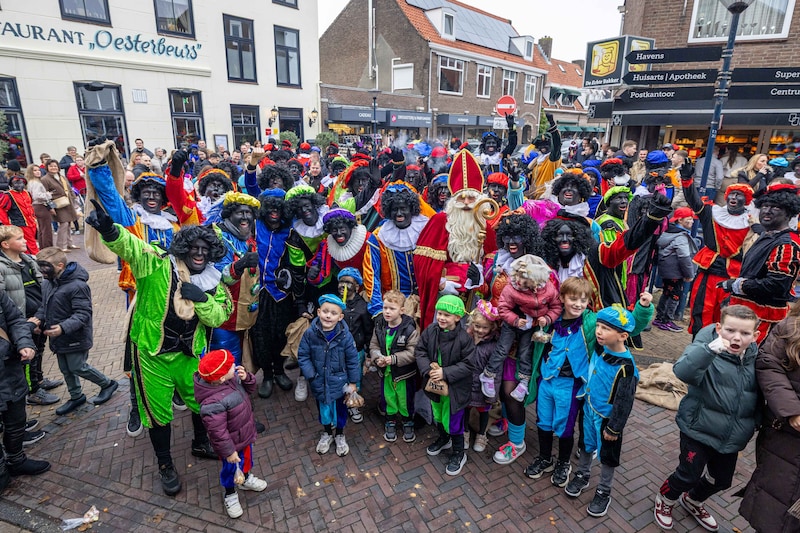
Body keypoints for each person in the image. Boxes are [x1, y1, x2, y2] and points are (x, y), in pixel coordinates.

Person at [86, 201, 232, 496]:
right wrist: (109, 229)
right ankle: (165, 464)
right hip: (153, 355)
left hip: (190, 354)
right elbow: (133, 248)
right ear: (184, 249)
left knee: (200, 402)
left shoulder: (212, 281)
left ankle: (200, 443)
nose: (199, 254)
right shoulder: (157, 264)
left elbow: (220, 315)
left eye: (205, 250)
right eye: (194, 248)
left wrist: (201, 299)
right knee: (157, 412)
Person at [525, 279, 653, 488]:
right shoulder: (551, 319)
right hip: (547, 380)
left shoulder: (592, 322)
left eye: (583, 300)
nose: (578, 304)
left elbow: (628, 325)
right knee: (543, 422)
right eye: (573, 299)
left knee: (564, 426)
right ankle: (545, 458)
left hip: (570, 384)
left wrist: (643, 308)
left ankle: (563, 463)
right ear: (562, 298)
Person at [655, 305, 760, 532]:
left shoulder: (756, 359)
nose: (737, 338)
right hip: (698, 429)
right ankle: (666, 499)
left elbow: (759, 395)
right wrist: (709, 350)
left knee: (721, 480)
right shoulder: (708, 348)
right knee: (687, 475)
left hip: (731, 435)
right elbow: (682, 371)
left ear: (755, 336)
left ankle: (693, 500)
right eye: (730, 330)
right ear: (719, 328)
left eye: (745, 333)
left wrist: (756, 422)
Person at [564, 305, 649, 518]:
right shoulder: (600, 348)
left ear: (623, 336)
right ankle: (582, 474)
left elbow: (624, 402)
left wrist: (614, 428)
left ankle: (604, 490)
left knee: (608, 455)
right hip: (589, 408)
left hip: (607, 419)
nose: (599, 332)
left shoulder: (626, 368)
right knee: (585, 444)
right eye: (599, 326)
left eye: (606, 328)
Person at [34, 247, 118, 416]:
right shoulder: (47, 283)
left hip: (75, 336)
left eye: (45, 266)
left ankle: (107, 384)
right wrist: (38, 320)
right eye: (40, 266)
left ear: (60, 266)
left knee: (78, 366)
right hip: (58, 337)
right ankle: (76, 396)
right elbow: (44, 306)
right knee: (65, 369)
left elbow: (83, 313)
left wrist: (63, 328)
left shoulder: (78, 286)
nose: (42, 271)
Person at [740, 302, 800, 532]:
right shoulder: (790, 327)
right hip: (786, 435)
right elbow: (768, 364)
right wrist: (792, 410)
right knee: (774, 502)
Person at [718, 183, 800, 341]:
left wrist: (737, 285)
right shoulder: (768, 236)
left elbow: (776, 285)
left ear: (788, 213)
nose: (767, 211)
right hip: (745, 314)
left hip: (761, 320)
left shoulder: (787, 244)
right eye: (765, 206)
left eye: (775, 207)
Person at [194, 349, 268, 519]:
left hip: (244, 434)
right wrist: (229, 452)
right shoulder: (212, 404)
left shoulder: (232, 378)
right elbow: (217, 433)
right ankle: (230, 494)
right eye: (230, 366)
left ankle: (246, 478)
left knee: (247, 459)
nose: (234, 366)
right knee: (230, 469)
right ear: (221, 378)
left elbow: (250, 389)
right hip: (231, 445)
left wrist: (247, 378)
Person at [479, 254, 561, 403]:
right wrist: (515, 320)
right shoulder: (511, 288)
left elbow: (556, 307)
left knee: (525, 352)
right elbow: (503, 308)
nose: (519, 282)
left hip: (531, 324)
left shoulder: (548, 289)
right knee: (502, 349)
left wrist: (547, 318)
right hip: (513, 323)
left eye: (525, 280)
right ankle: (488, 374)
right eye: (518, 277)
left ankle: (524, 382)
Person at [0, 227, 61, 406]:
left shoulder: (29, 260)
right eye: (19, 238)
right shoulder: (2, 267)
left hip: (39, 315)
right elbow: (4, 299)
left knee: (39, 350)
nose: (25, 240)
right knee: (27, 356)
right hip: (23, 321)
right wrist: (24, 323)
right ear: (5, 244)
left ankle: (39, 380)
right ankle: (32, 391)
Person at [417, 295, 475, 476]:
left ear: (457, 317)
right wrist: (427, 370)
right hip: (434, 385)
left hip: (455, 390)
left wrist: (445, 373)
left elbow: (469, 364)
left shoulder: (464, 338)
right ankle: (444, 439)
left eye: (446, 315)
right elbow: (420, 350)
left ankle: (459, 453)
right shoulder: (431, 331)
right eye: (439, 313)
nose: (441, 318)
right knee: (438, 415)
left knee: (454, 422)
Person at [297, 294, 360, 457]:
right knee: (324, 411)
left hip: (340, 383)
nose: (328, 316)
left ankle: (339, 434)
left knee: (340, 412)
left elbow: (353, 360)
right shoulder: (310, 334)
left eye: (333, 313)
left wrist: (353, 382)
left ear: (340, 317)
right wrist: (311, 375)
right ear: (318, 312)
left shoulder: (345, 336)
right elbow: (303, 355)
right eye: (325, 311)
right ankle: (326, 432)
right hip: (319, 382)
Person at [0, 286, 49, 489]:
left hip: (9, 371)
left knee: (16, 420)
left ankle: (17, 460)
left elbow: (15, 320)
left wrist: (24, 343)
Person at [369, 290, 419, 443]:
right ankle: (390, 420)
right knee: (388, 397)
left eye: (392, 308)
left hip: (404, 373)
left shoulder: (409, 329)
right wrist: (377, 358)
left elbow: (413, 352)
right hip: (386, 373)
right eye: (385, 308)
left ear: (402, 310)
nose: (387, 312)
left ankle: (407, 421)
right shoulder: (379, 325)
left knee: (405, 399)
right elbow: (374, 345)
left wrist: (394, 359)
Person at [335, 267, 373, 423]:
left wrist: (368, 354)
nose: (343, 286)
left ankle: (353, 404)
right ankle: (338, 405)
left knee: (354, 378)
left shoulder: (362, 306)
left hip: (355, 351)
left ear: (357, 286)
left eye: (348, 282)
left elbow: (368, 331)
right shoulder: (334, 303)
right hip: (336, 350)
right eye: (341, 281)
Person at [654, 207, 698, 332]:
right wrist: (689, 274)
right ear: (680, 220)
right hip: (676, 272)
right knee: (675, 295)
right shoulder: (681, 237)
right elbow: (684, 257)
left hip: (667, 270)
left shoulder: (669, 232)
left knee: (667, 293)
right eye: (689, 219)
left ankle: (660, 318)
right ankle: (666, 320)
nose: (692, 221)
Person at [465, 300, 500, 453]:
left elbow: (496, 372)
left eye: (484, 327)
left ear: (492, 327)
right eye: (477, 326)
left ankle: (481, 434)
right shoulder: (467, 338)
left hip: (483, 387)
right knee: (466, 408)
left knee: (483, 411)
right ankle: (465, 432)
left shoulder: (493, 345)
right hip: (467, 383)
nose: (480, 330)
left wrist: (493, 394)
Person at [41, 159, 79, 253]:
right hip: (58, 205)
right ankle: (61, 246)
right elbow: (45, 195)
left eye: (55, 166)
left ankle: (69, 243)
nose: (53, 168)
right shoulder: (45, 179)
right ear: (47, 168)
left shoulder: (62, 177)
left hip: (68, 203)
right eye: (51, 166)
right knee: (64, 224)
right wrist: (51, 207)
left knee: (68, 223)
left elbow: (69, 189)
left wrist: (74, 199)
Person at [25, 164, 54, 249]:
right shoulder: (36, 183)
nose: (38, 172)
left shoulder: (30, 182)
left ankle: (43, 247)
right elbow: (37, 196)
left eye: (38, 170)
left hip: (35, 206)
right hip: (40, 206)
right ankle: (48, 248)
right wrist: (48, 195)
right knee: (46, 229)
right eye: (35, 170)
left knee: (41, 229)